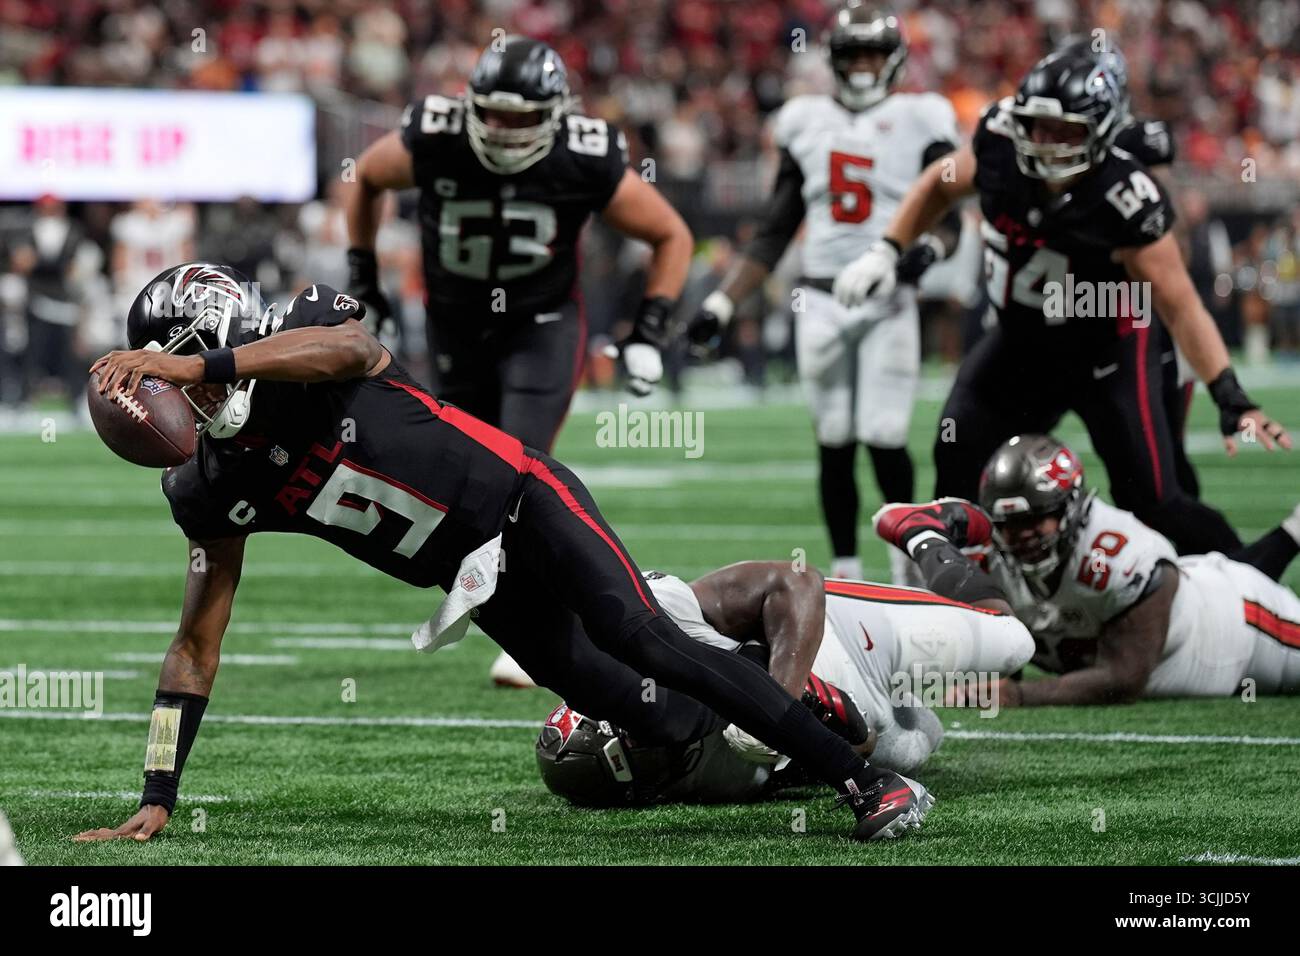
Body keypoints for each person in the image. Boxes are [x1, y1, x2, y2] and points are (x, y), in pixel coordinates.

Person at [73, 262, 927, 845]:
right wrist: (158, 793)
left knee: (643, 635)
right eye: (167, 379)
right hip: (476, 578)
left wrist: (203, 363)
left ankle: (864, 784)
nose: (178, 390)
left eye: (177, 368)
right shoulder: (206, 486)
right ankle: (803, 703)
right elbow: (194, 647)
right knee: (656, 716)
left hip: (524, 499)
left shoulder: (300, 334)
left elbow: (353, 348)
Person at [835, 44, 1290, 557]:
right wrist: (886, 250)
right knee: (956, 455)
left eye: (1065, 131)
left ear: (1103, 130)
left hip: (1107, 352)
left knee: (1155, 501)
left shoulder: (1125, 198)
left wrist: (1231, 396)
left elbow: (1180, 304)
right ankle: (975, 602)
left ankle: (1242, 585)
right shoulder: (1001, 144)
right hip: (1021, 343)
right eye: (1037, 127)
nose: (1046, 143)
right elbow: (938, 186)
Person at [686, 2, 962, 581]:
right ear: (834, 61)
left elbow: (948, 220)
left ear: (894, 61)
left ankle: (902, 563)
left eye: (873, 55)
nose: (862, 67)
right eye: (852, 55)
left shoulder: (923, 116)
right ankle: (845, 571)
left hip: (888, 299)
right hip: (819, 299)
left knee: (885, 436)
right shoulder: (804, 119)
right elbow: (774, 229)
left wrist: (916, 260)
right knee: (834, 440)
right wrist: (721, 301)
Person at [345, 34, 693, 452]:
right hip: (455, 320)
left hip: (540, 321)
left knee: (517, 460)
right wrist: (365, 283)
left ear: (554, 114)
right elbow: (365, 176)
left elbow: (671, 234)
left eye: (518, 119)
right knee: (460, 461)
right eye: (491, 114)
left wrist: (648, 330)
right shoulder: (439, 136)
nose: (500, 130)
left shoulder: (582, 155)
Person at [536, 558, 1033, 806]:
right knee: (921, 741)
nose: (653, 754)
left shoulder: (650, 612)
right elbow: (847, 748)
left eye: (635, 741)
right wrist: (831, 730)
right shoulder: (690, 781)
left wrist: (780, 701)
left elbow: (795, 579)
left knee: (1014, 642)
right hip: (850, 708)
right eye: (642, 772)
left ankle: (926, 535)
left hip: (845, 634)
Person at [887, 435, 1300, 705]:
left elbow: (1125, 678)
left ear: (1072, 509)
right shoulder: (993, 557)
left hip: (1240, 624)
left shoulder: (1121, 554)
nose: (1022, 535)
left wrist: (1019, 695)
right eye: (1009, 524)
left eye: (1037, 519)